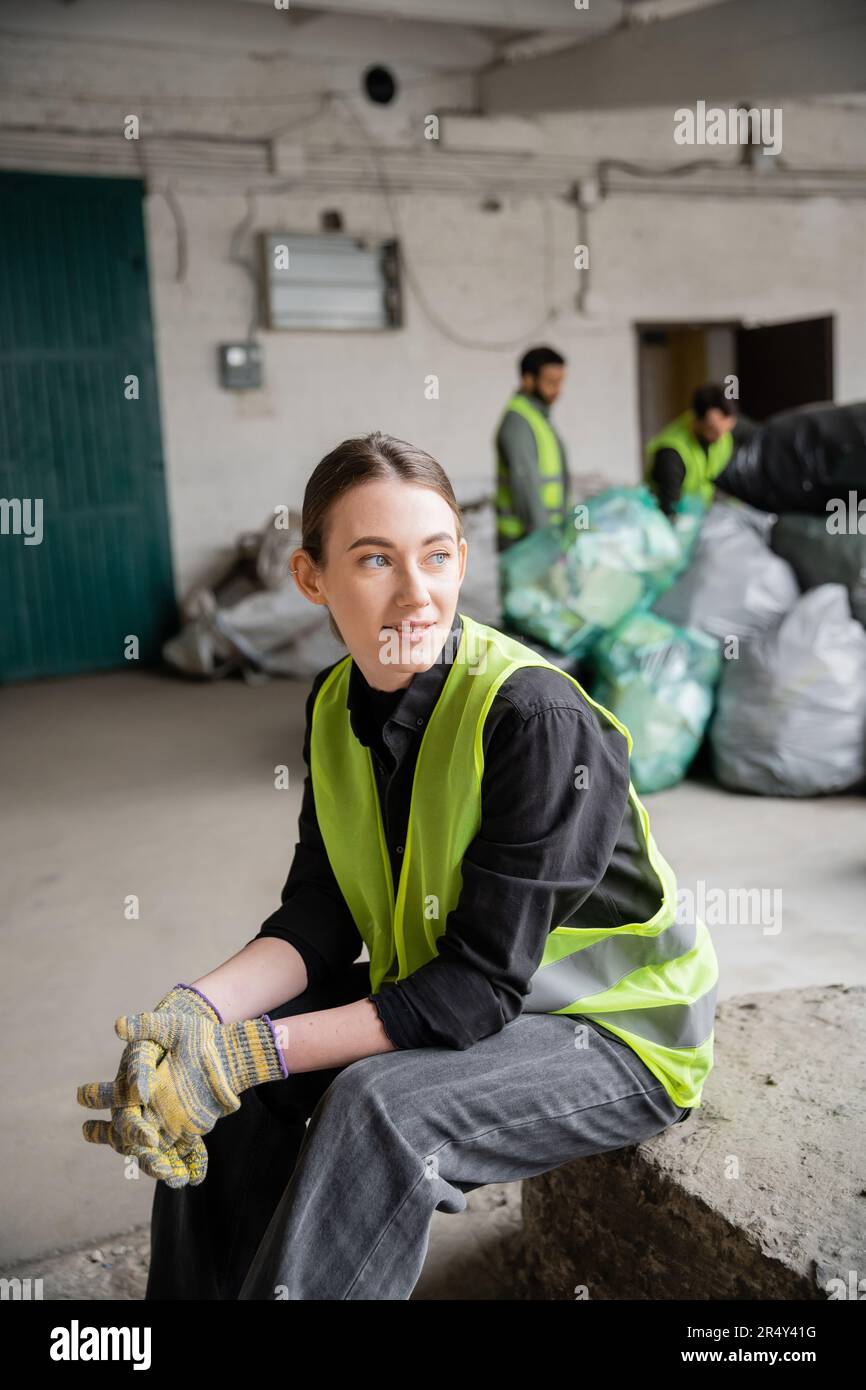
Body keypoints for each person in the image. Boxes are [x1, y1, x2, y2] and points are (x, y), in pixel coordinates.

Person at [78, 431, 718, 1301]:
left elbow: (475, 989)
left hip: (616, 1035)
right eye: (375, 560)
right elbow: (321, 914)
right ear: (312, 578)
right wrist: (195, 1013)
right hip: (467, 990)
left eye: (438, 556)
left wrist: (255, 1050)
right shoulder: (336, 702)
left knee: (379, 1106)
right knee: (232, 1080)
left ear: (461, 560)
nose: (417, 594)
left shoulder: (533, 718)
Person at [495, 346, 571, 551]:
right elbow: (525, 485)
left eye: (560, 382)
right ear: (528, 380)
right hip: (526, 542)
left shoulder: (539, 418)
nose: (558, 390)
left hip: (542, 538)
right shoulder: (518, 422)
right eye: (551, 383)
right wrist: (544, 541)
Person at [644, 383, 752, 518]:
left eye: (726, 430)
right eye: (714, 430)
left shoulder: (723, 430)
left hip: (701, 514)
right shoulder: (671, 454)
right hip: (673, 522)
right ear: (696, 420)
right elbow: (668, 512)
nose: (722, 437)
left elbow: (759, 435)